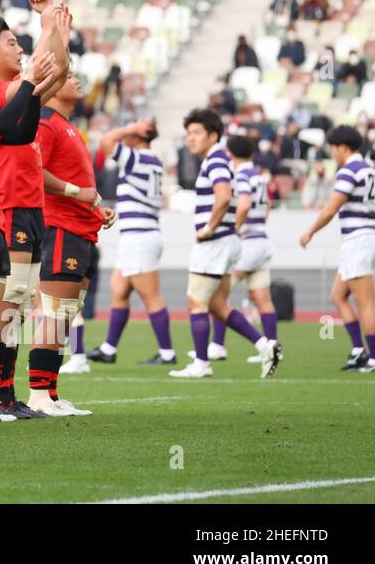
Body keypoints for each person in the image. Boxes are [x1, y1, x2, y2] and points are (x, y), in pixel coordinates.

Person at [0, 0, 71, 415]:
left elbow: (58, 71)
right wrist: (47, 25)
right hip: (8, 204)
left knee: (17, 301)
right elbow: (42, 72)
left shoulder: (18, 88)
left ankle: (2, 393)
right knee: (8, 301)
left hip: (30, 207)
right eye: (12, 42)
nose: (19, 48)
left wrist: (53, 29)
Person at [169, 108, 282, 379]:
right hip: (229, 241)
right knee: (218, 305)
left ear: (213, 135)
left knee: (195, 301)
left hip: (215, 242)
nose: (190, 139)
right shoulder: (219, 159)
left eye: (196, 133)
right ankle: (265, 345)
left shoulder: (216, 159)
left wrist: (207, 229)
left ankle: (201, 363)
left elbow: (223, 197)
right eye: (188, 134)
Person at [28, 73, 113, 414]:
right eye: (70, 76)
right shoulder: (46, 124)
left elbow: (72, 179)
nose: (79, 81)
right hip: (60, 229)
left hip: (81, 229)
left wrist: (95, 206)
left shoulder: (68, 126)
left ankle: (50, 392)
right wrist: (77, 193)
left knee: (65, 317)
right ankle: (37, 392)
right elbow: (35, 171)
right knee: (54, 314)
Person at [85, 120, 175, 366]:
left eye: (132, 132)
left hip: (140, 236)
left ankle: (167, 353)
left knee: (151, 295)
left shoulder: (140, 158)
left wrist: (130, 129)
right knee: (120, 288)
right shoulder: (150, 159)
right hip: (138, 234)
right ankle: (108, 348)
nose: (125, 135)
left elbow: (106, 142)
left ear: (141, 136)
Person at [299, 127, 375, 372]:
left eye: (333, 148)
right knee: (338, 295)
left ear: (343, 147)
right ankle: (359, 351)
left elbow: (331, 208)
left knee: (365, 302)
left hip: (357, 239)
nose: (332, 153)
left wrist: (310, 231)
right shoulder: (370, 172)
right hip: (366, 236)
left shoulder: (349, 171)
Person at [209, 135, 278, 364]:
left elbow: (244, 203)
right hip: (262, 240)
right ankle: (271, 346)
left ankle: (217, 346)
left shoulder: (241, 174)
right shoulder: (258, 175)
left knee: (218, 295)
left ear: (230, 153)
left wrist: (234, 228)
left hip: (247, 242)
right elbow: (266, 206)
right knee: (263, 299)